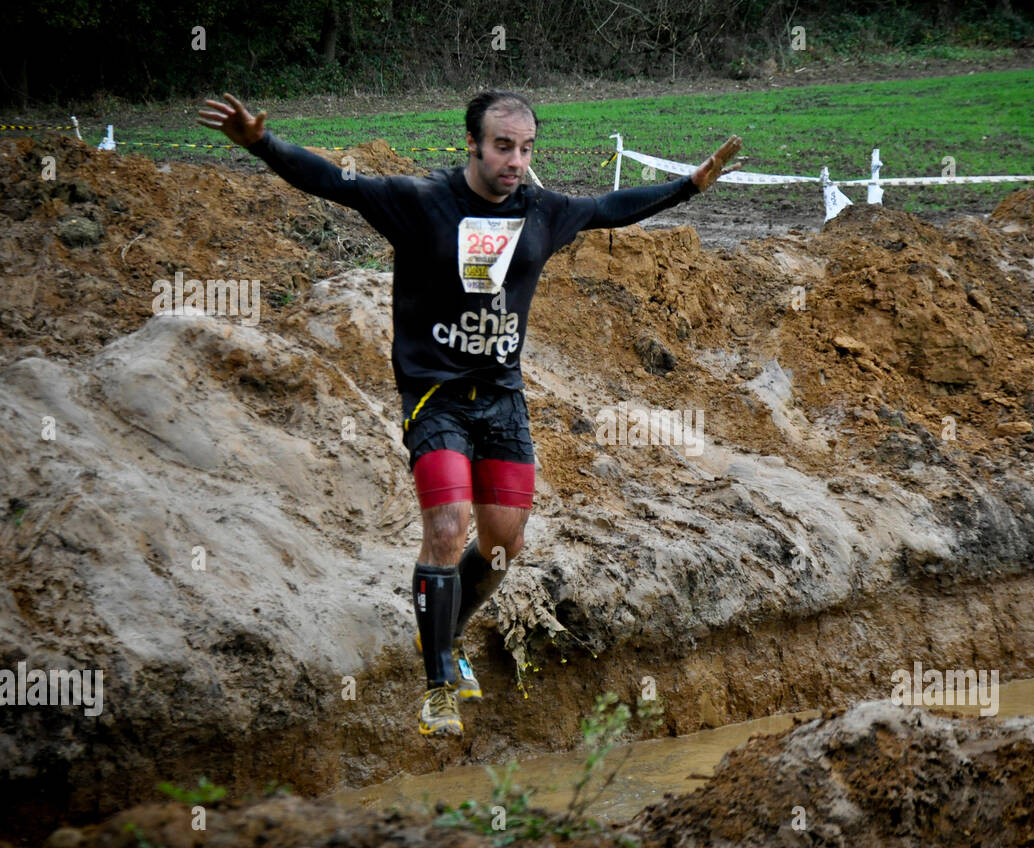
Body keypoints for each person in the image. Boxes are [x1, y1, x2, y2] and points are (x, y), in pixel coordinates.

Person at [198, 89, 742, 739]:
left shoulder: (541, 211)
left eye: (527, 148)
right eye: (503, 147)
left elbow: (608, 208)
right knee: (448, 527)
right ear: (474, 146)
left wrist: (690, 185)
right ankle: (436, 689)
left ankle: (448, 634)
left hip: (503, 399)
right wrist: (262, 143)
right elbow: (335, 183)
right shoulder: (422, 203)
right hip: (435, 394)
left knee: (506, 545)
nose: (516, 160)